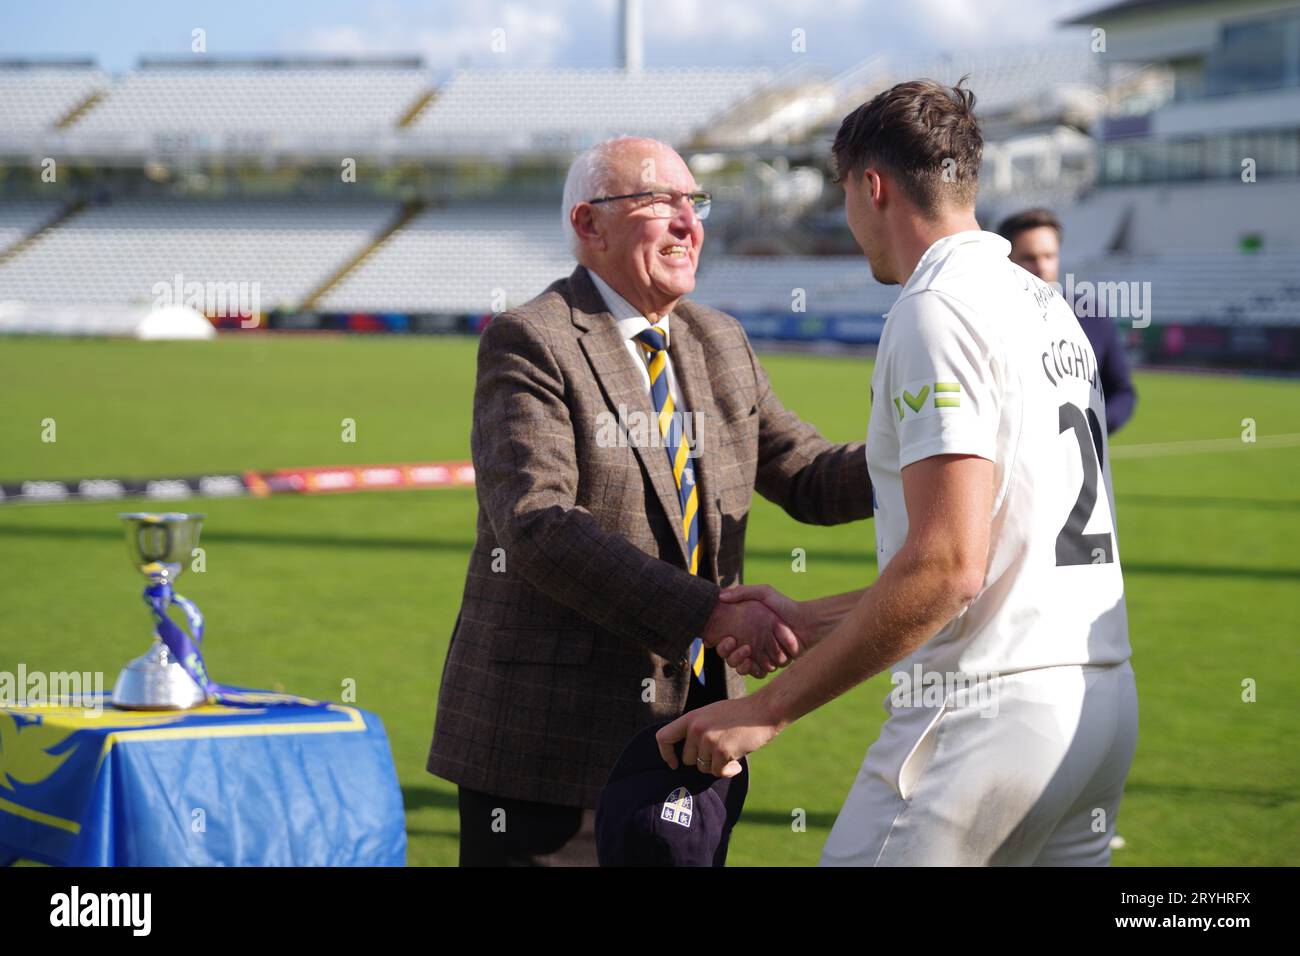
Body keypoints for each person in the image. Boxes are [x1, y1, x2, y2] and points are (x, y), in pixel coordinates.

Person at [658, 81, 1138, 866]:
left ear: (870, 187)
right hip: (1100, 704)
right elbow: (998, 559)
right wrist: (811, 620)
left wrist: (767, 712)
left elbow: (949, 569)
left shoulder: (937, 305)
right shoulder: (1045, 306)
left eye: (845, 195)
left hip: (987, 711)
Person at [427, 136, 873, 865]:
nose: (687, 222)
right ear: (588, 225)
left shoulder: (718, 339)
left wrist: (932, 455)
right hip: (552, 751)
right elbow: (538, 527)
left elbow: (809, 474)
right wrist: (708, 611)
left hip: (698, 737)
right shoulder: (531, 339)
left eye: (693, 203)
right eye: (658, 202)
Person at [997, 208, 1137, 433]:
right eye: (1029, 258)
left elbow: (1122, 392)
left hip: (1083, 465)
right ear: (1007, 261)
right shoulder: (989, 317)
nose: (1042, 266)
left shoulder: (1091, 315)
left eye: (1049, 256)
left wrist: (1095, 424)